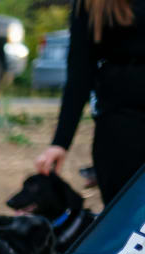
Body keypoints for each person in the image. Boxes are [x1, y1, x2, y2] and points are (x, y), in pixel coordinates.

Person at [35, 0, 145, 205]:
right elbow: (79, 75)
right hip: (120, 130)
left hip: (119, 125)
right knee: (124, 223)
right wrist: (61, 142)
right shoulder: (92, 4)